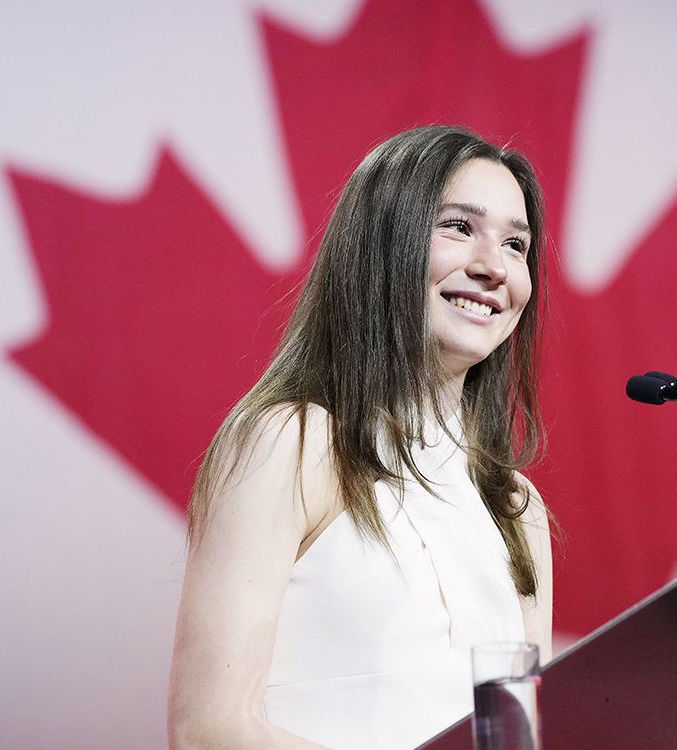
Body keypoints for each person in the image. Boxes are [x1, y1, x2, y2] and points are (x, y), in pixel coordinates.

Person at [167, 125, 553, 750]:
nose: (492, 267)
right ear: (381, 245)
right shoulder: (291, 441)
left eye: (516, 244)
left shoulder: (517, 509)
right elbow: (209, 730)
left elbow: (512, 740)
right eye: (458, 227)